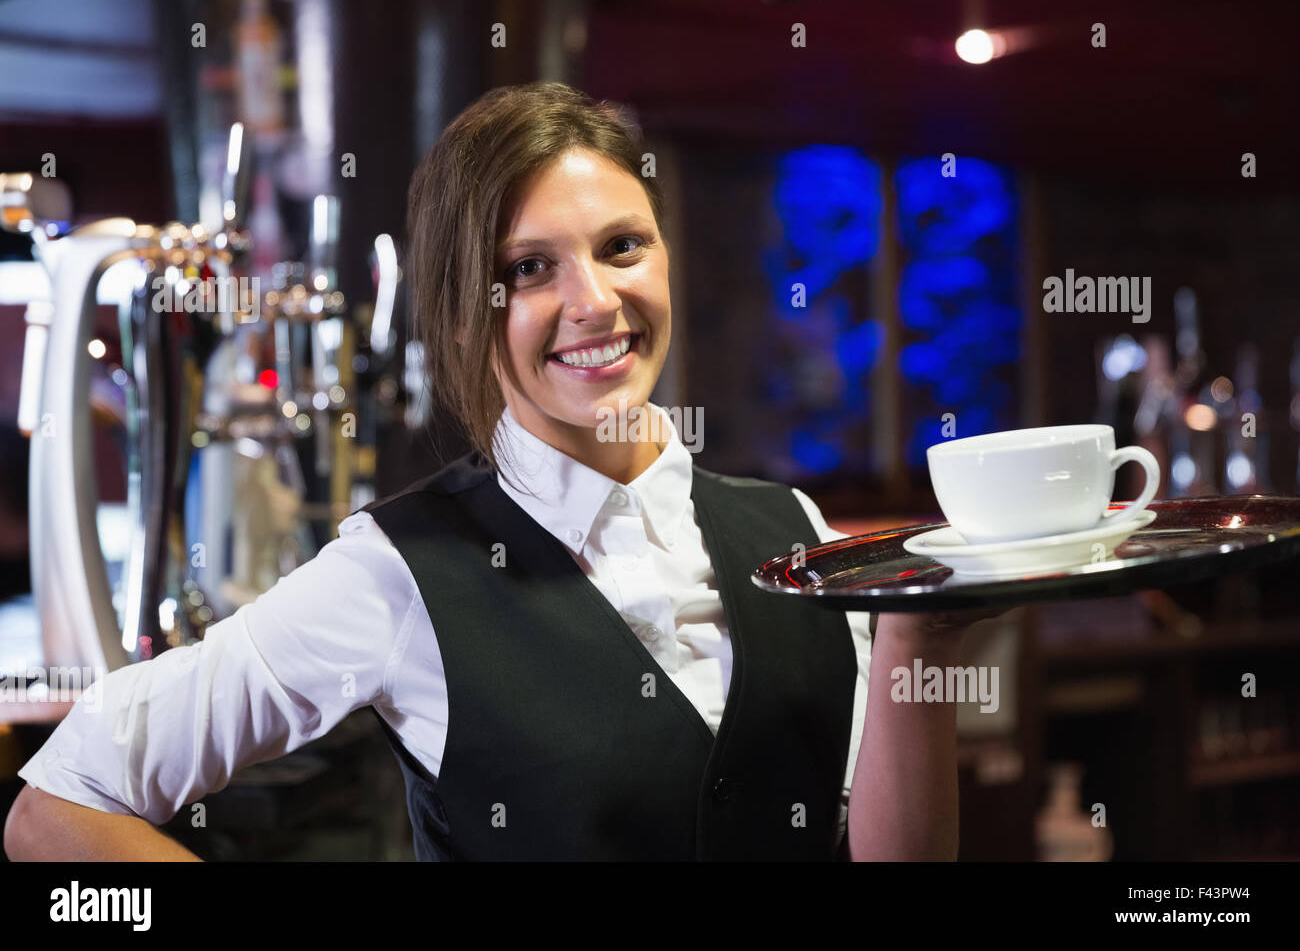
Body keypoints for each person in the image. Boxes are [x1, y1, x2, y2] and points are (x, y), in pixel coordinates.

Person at [4, 81, 983, 862]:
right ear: (463, 309)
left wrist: (917, 643)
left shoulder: (795, 525)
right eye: (528, 267)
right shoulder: (397, 571)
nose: (594, 300)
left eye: (621, 246)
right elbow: (55, 808)